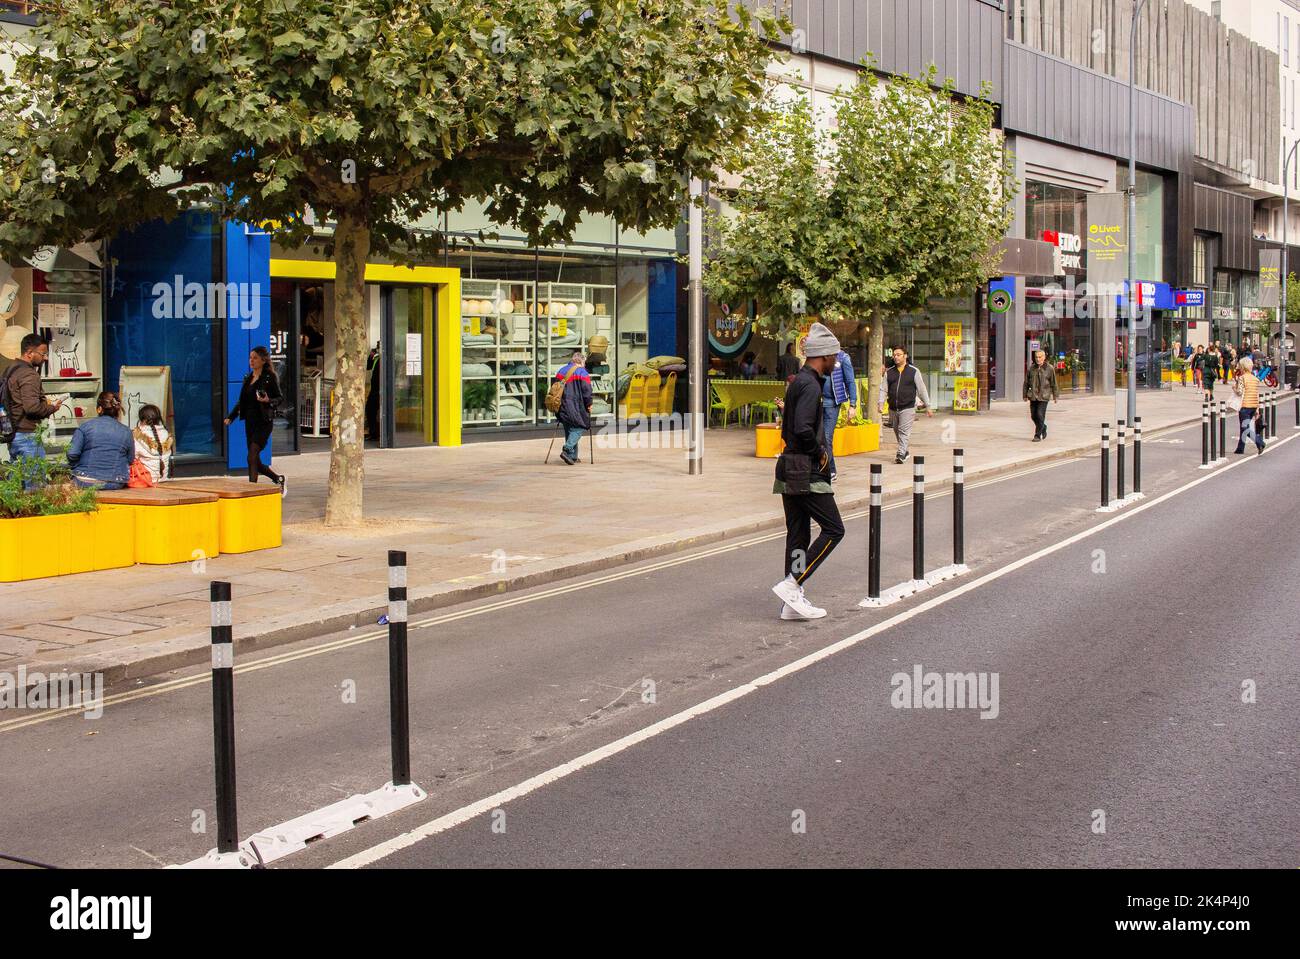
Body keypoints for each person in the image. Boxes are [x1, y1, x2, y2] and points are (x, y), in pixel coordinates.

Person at [771, 322, 845, 621]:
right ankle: (792, 584)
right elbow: (802, 428)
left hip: (789, 467)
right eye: (834, 357)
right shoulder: (811, 384)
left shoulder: (800, 382)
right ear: (823, 356)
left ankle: (792, 603)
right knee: (834, 529)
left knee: (798, 534)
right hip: (805, 469)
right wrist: (821, 453)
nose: (835, 363)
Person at [2, 333, 63, 489]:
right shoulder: (29, 375)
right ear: (29, 353)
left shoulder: (10, 370)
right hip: (27, 435)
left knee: (17, 485)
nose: (45, 358)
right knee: (35, 487)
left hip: (13, 433)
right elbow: (31, 408)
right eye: (43, 354)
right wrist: (52, 407)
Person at [224, 346, 285, 493]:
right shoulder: (248, 378)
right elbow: (241, 402)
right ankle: (278, 479)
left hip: (263, 422)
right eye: (250, 358)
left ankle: (252, 491)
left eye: (255, 358)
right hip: (250, 423)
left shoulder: (269, 377)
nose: (251, 361)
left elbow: (279, 398)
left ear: (263, 360)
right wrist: (231, 417)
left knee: (251, 455)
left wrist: (268, 400)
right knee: (255, 461)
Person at [66, 392, 135, 489]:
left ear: (99, 409)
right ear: (117, 410)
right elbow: (130, 459)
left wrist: (78, 466)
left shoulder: (85, 427)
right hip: (115, 482)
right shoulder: (126, 431)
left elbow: (72, 453)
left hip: (84, 480)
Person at [881, 346, 933, 464]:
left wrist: (928, 406)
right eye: (894, 355)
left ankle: (900, 454)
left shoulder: (913, 371)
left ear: (905, 356)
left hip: (908, 407)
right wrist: (880, 403)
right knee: (896, 430)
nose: (896, 357)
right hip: (893, 408)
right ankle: (905, 451)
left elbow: (922, 389)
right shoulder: (889, 372)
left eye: (898, 354)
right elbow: (883, 389)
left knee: (903, 431)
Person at [820, 344, 856, 482]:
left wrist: (852, 404)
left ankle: (831, 470)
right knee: (820, 437)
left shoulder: (843, 358)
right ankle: (826, 468)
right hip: (818, 401)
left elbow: (850, 382)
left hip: (832, 403)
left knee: (827, 438)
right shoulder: (821, 357)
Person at [554, 348, 593, 466]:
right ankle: (567, 449)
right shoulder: (582, 372)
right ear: (580, 361)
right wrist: (589, 403)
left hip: (561, 404)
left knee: (569, 428)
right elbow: (587, 391)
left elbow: (555, 387)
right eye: (584, 363)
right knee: (579, 427)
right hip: (576, 405)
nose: (584, 365)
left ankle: (572, 456)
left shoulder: (561, 371)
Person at [132, 403, 175, 482]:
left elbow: (132, 456)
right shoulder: (166, 433)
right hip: (163, 478)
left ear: (143, 420)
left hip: (145, 478)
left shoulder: (138, 435)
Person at [1023, 349, 1059, 442]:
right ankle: (1043, 427)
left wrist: (1055, 395)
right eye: (1036, 357)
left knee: (1040, 414)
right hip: (1033, 396)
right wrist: (1025, 394)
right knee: (1033, 416)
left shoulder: (1049, 368)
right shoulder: (1031, 368)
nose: (1038, 359)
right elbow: (1026, 383)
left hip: (1044, 396)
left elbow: (1054, 383)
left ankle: (1037, 435)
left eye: (1040, 357)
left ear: (1044, 357)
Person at [1232, 358, 1266, 456]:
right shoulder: (1255, 379)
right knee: (1244, 428)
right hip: (1253, 405)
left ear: (1242, 367)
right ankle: (1240, 448)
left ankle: (1260, 442)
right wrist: (1257, 409)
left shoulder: (1242, 378)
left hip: (1245, 406)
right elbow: (1256, 394)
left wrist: (1234, 388)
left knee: (1245, 428)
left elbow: (1240, 392)